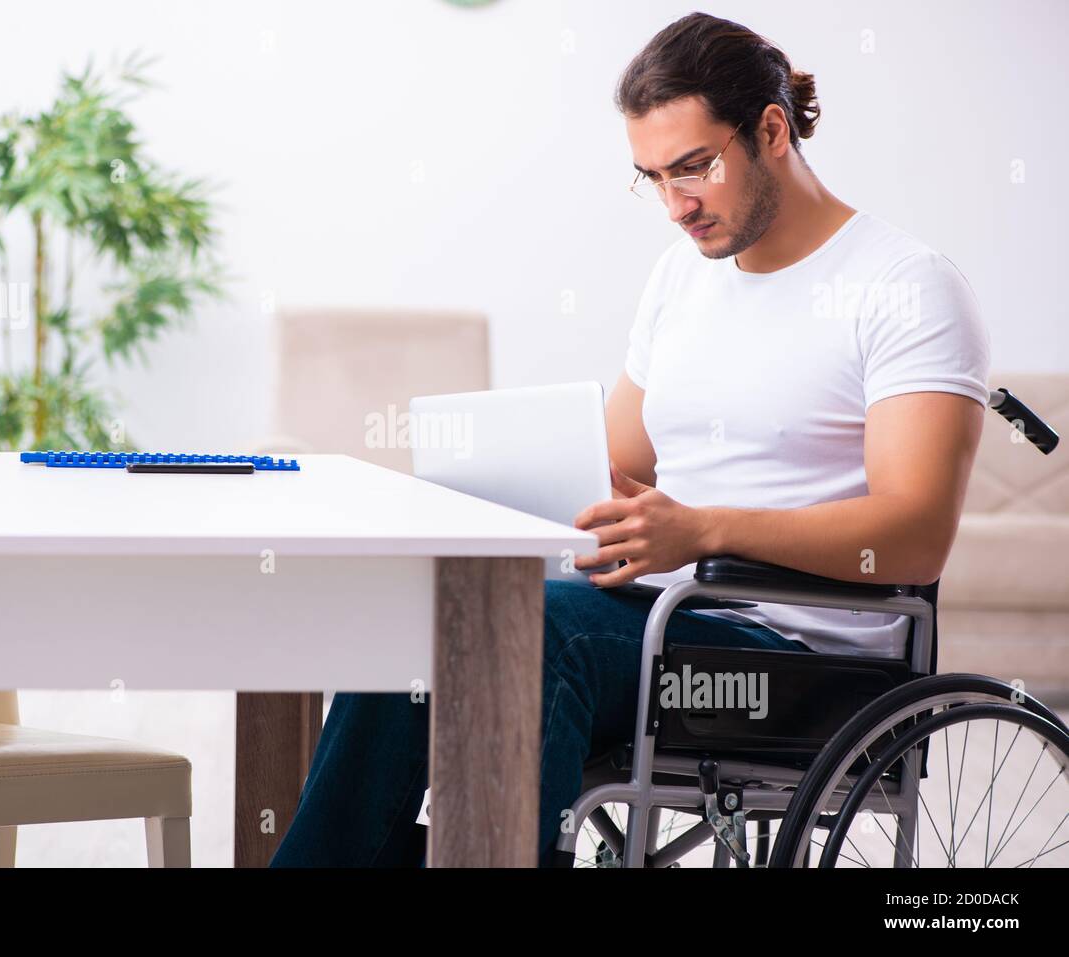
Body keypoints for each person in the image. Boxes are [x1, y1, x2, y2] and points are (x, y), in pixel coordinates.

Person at [270, 12, 989, 868]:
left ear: (771, 129)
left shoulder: (903, 285)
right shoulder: (683, 277)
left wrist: (705, 529)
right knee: (420, 616)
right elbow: (616, 467)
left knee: (537, 633)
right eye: (651, 176)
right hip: (668, 624)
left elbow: (914, 533)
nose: (676, 204)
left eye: (694, 167)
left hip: (811, 665)